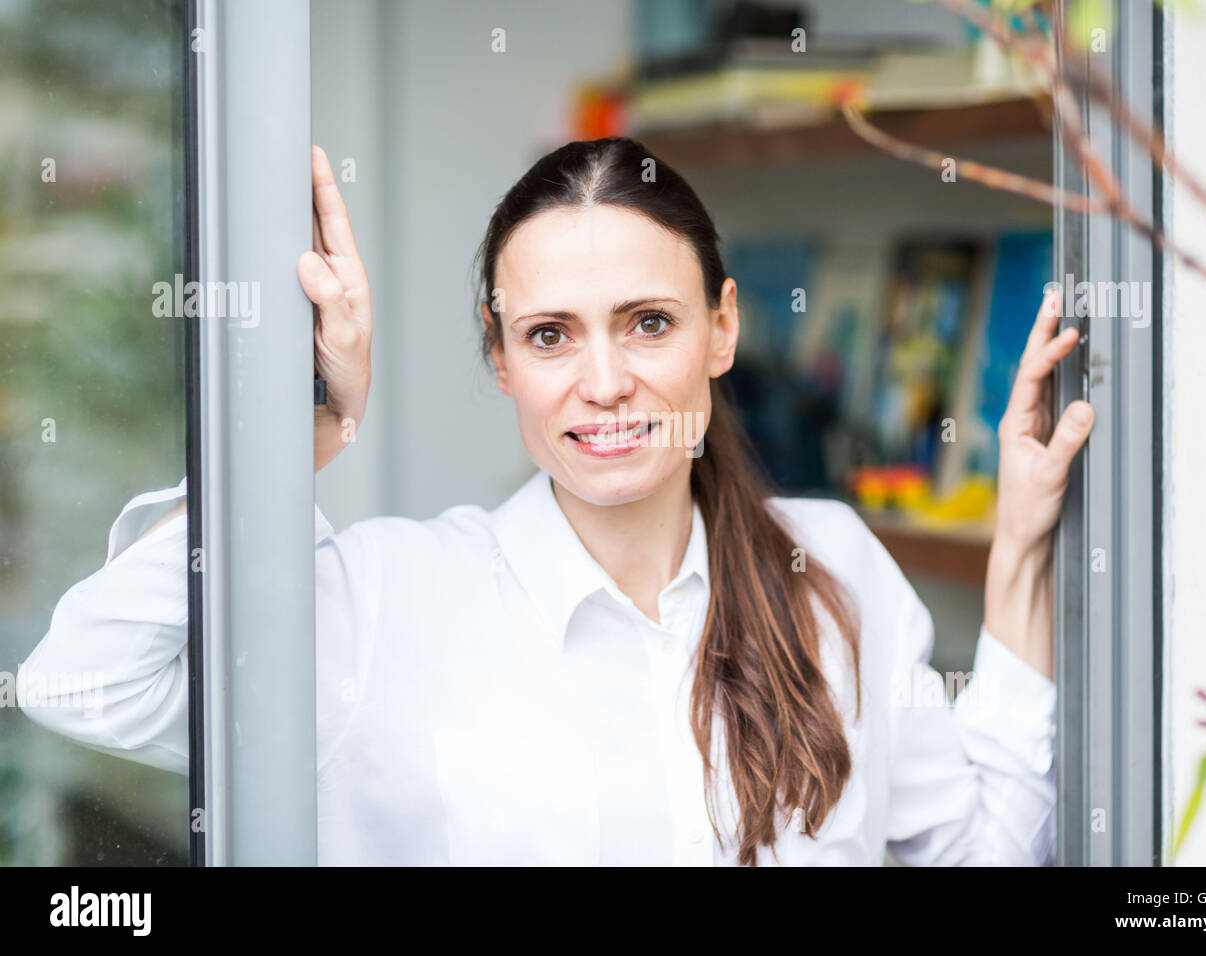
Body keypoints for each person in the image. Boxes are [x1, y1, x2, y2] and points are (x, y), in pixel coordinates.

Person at [18, 138, 1094, 866]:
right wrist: (310, 426)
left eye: (647, 321)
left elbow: (974, 854)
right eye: (550, 334)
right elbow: (82, 679)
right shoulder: (385, 596)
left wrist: (1019, 552)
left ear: (721, 329)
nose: (606, 381)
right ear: (500, 357)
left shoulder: (831, 566)